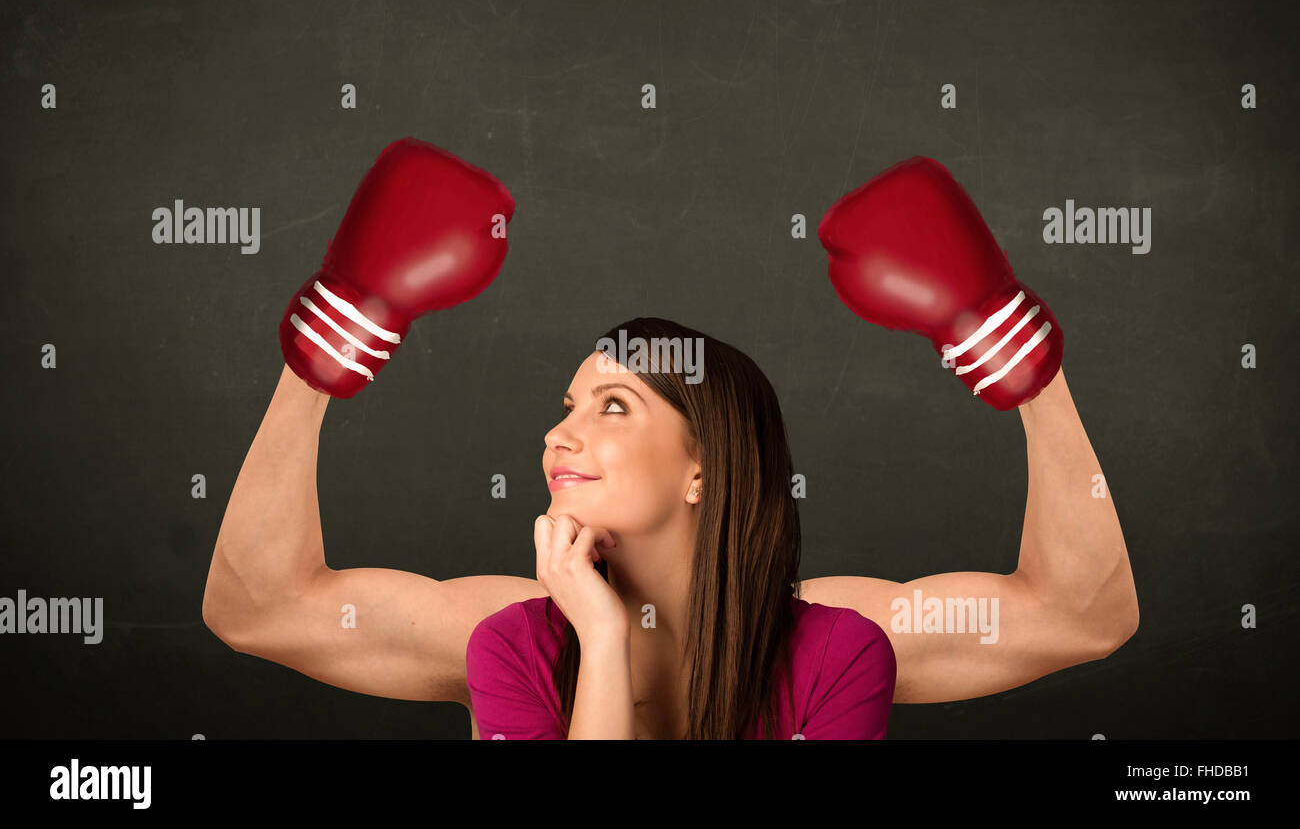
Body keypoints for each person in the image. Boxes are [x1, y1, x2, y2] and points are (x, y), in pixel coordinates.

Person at [202, 142, 1138, 739]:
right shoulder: (514, 637)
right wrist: (327, 347)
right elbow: (260, 606)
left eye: (612, 406)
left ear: (704, 468)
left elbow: (1081, 615)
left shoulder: (834, 644)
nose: (558, 432)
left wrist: (1015, 354)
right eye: (567, 405)